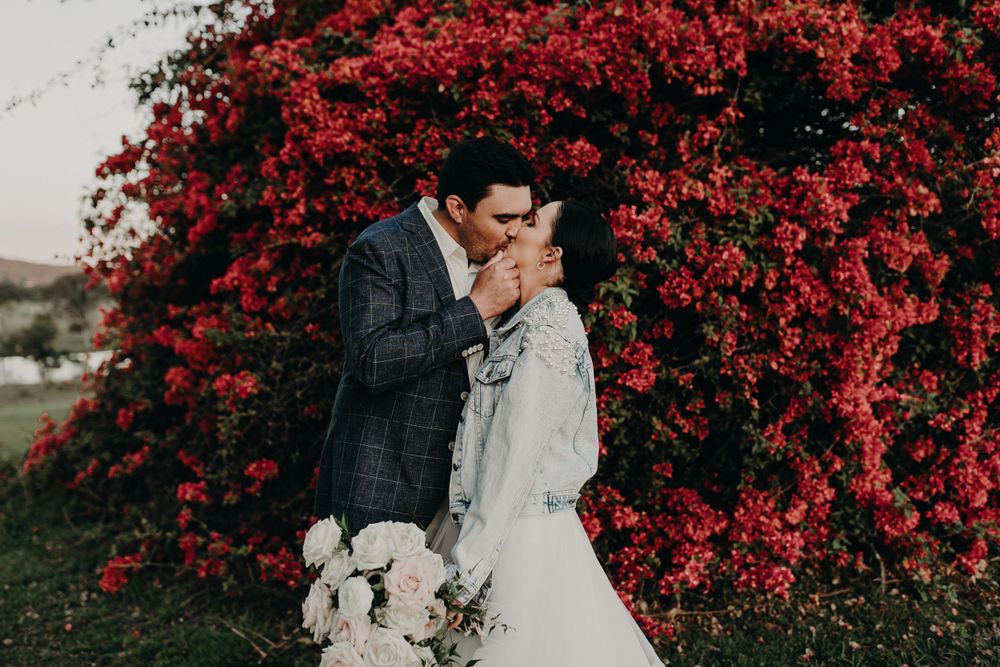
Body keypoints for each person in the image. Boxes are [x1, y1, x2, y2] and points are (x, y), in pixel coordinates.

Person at [441, 201, 666, 665]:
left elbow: (513, 461)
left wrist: (462, 579)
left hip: (518, 540)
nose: (518, 226)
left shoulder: (548, 334)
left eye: (532, 221)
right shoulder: (516, 321)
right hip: (493, 524)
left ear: (550, 255)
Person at [313, 136, 534, 534]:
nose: (515, 232)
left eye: (523, 217)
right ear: (457, 207)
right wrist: (476, 309)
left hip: (467, 502)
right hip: (384, 490)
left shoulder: (506, 261)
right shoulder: (380, 248)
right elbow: (373, 361)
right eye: (503, 219)